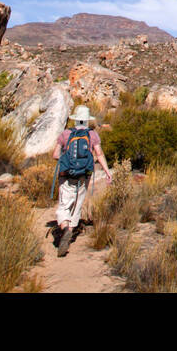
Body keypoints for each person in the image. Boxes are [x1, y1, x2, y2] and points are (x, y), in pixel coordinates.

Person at [51, 105, 112, 257]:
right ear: (86, 120)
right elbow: (99, 154)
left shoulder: (66, 134)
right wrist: (107, 171)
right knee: (77, 205)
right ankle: (70, 232)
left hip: (66, 175)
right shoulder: (92, 135)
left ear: (75, 119)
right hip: (84, 175)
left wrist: (66, 159)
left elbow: (55, 155)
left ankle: (64, 229)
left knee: (64, 205)